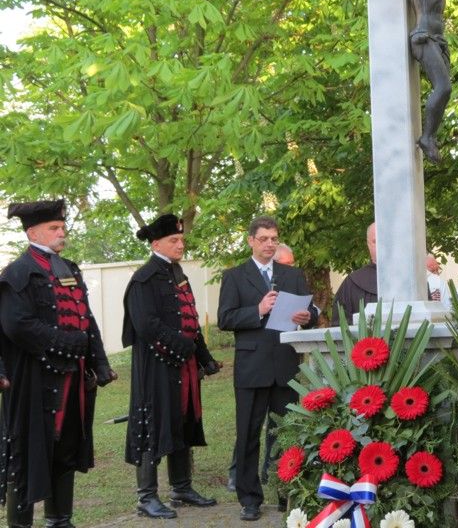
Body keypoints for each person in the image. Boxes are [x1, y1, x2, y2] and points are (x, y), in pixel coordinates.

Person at [0, 199, 117, 528]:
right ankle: (21, 524)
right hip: (33, 380)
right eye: (54, 228)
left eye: (62, 227)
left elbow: (85, 319)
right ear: (32, 232)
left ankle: (60, 520)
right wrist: (64, 343)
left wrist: (101, 361)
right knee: (25, 452)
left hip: (73, 379)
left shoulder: (70, 269)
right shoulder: (17, 273)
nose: (61, 232)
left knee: (65, 448)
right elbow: (16, 324)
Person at [218, 216, 318, 522]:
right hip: (251, 367)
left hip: (284, 364)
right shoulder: (235, 276)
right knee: (248, 434)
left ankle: (286, 490)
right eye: (263, 239)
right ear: (251, 241)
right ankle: (249, 498)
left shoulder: (292, 274)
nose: (269, 244)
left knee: (285, 434)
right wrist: (258, 311)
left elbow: (311, 310)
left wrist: (308, 316)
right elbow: (225, 318)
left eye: (274, 238)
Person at [122, 214, 220, 519]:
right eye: (173, 240)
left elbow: (190, 321)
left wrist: (204, 357)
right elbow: (146, 325)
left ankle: (181, 487)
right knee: (153, 423)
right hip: (156, 366)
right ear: (156, 244)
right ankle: (146, 496)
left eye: (181, 239)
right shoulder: (144, 279)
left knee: (182, 420)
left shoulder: (178, 274)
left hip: (184, 365)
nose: (181, 244)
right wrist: (184, 347)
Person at [393, 0, 451, 163]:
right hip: (423, 37)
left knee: (446, 91)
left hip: (437, 41)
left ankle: (429, 136)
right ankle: (427, 137)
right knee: (444, 88)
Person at [331, 223, 378, 325]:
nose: (381, 245)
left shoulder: (411, 279)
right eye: (375, 241)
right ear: (368, 245)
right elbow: (339, 322)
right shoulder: (352, 283)